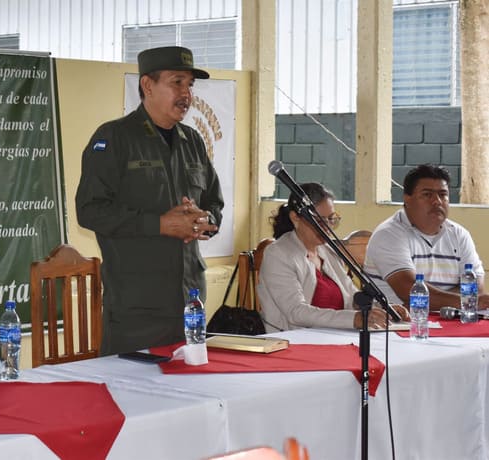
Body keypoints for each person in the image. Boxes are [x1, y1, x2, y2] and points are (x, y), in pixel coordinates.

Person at [75, 46, 224, 355]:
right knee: (131, 399)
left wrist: (203, 219)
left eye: (189, 85)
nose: (186, 93)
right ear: (147, 85)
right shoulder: (114, 138)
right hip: (136, 310)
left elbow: (215, 206)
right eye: (177, 82)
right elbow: (89, 210)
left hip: (189, 303)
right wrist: (159, 224)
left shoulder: (192, 141)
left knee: (191, 397)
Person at [257, 183, 409, 332]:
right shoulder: (277, 254)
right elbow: (296, 313)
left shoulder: (328, 251)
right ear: (295, 218)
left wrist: (382, 309)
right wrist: (354, 319)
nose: (327, 226)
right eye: (318, 220)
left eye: (331, 219)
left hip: (337, 336)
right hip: (292, 341)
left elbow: (351, 299)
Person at [364, 164, 488, 311]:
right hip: (396, 325)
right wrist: (467, 300)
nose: (437, 201)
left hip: (449, 320)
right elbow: (409, 291)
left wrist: (437, 301)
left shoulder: (459, 235)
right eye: (427, 194)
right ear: (407, 199)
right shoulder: (389, 234)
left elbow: (476, 289)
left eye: (443, 194)